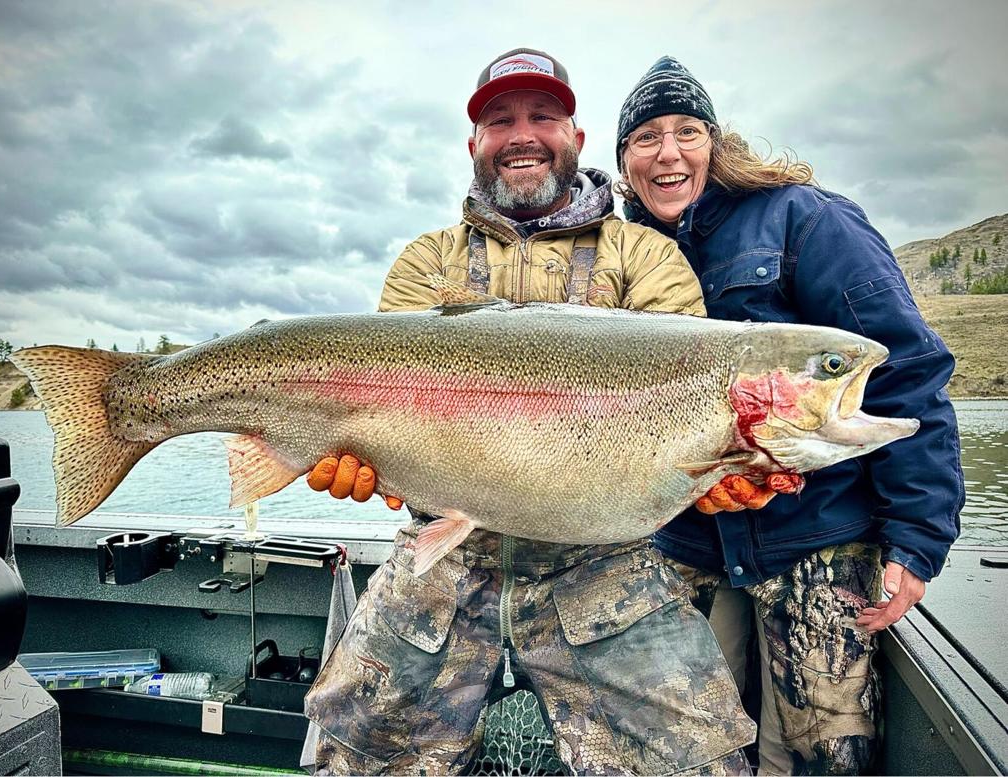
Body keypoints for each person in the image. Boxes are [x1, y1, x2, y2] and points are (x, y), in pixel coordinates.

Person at [300, 48, 764, 775]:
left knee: (698, 760)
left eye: (542, 116)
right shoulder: (426, 260)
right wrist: (358, 461)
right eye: (499, 120)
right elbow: (380, 414)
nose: (522, 134)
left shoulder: (645, 258)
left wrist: (721, 469)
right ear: (473, 145)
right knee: (354, 753)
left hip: (606, 571)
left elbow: (690, 415)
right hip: (441, 564)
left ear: (574, 137)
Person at [614, 56, 964, 775]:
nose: (668, 152)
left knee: (820, 758)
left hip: (817, 541)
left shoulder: (806, 217)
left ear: (717, 141)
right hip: (686, 543)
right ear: (624, 160)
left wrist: (917, 537)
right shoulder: (626, 254)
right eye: (645, 136)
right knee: (672, 750)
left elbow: (906, 371)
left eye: (687, 130)